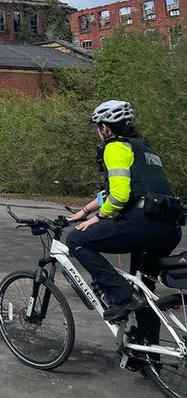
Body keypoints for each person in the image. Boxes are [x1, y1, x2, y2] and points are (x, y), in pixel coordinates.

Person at [66, 100, 181, 329]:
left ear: (105, 127)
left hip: (141, 224)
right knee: (145, 289)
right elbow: (123, 190)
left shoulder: (114, 147)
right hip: (168, 227)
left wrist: (97, 218)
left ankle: (122, 295)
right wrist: (86, 210)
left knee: (77, 240)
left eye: (98, 127)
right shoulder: (144, 147)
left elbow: (119, 196)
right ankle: (148, 358)